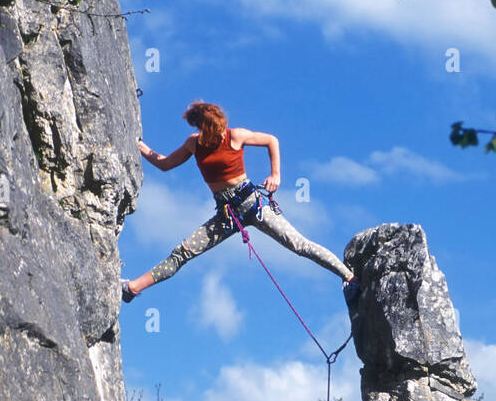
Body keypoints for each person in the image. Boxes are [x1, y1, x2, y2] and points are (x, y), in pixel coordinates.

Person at [121, 102, 359, 302]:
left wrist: (276, 174)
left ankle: (348, 276)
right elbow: (165, 163)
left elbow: (271, 140)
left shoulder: (235, 135)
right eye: (215, 129)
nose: (221, 132)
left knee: (299, 245)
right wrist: (139, 145)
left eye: (221, 127)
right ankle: (132, 288)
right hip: (226, 217)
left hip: (254, 206)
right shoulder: (194, 144)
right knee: (182, 253)